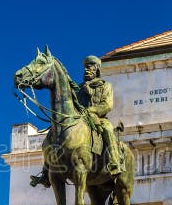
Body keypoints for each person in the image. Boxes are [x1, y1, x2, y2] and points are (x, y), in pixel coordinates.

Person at [30, 56, 123, 188]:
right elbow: (73, 106)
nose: (87, 70)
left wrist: (91, 109)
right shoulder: (78, 88)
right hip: (80, 119)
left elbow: (107, 105)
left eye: (90, 67)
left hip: (97, 117)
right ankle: (45, 173)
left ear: (97, 69)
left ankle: (114, 162)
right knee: (51, 135)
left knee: (108, 128)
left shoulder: (105, 86)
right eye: (86, 67)